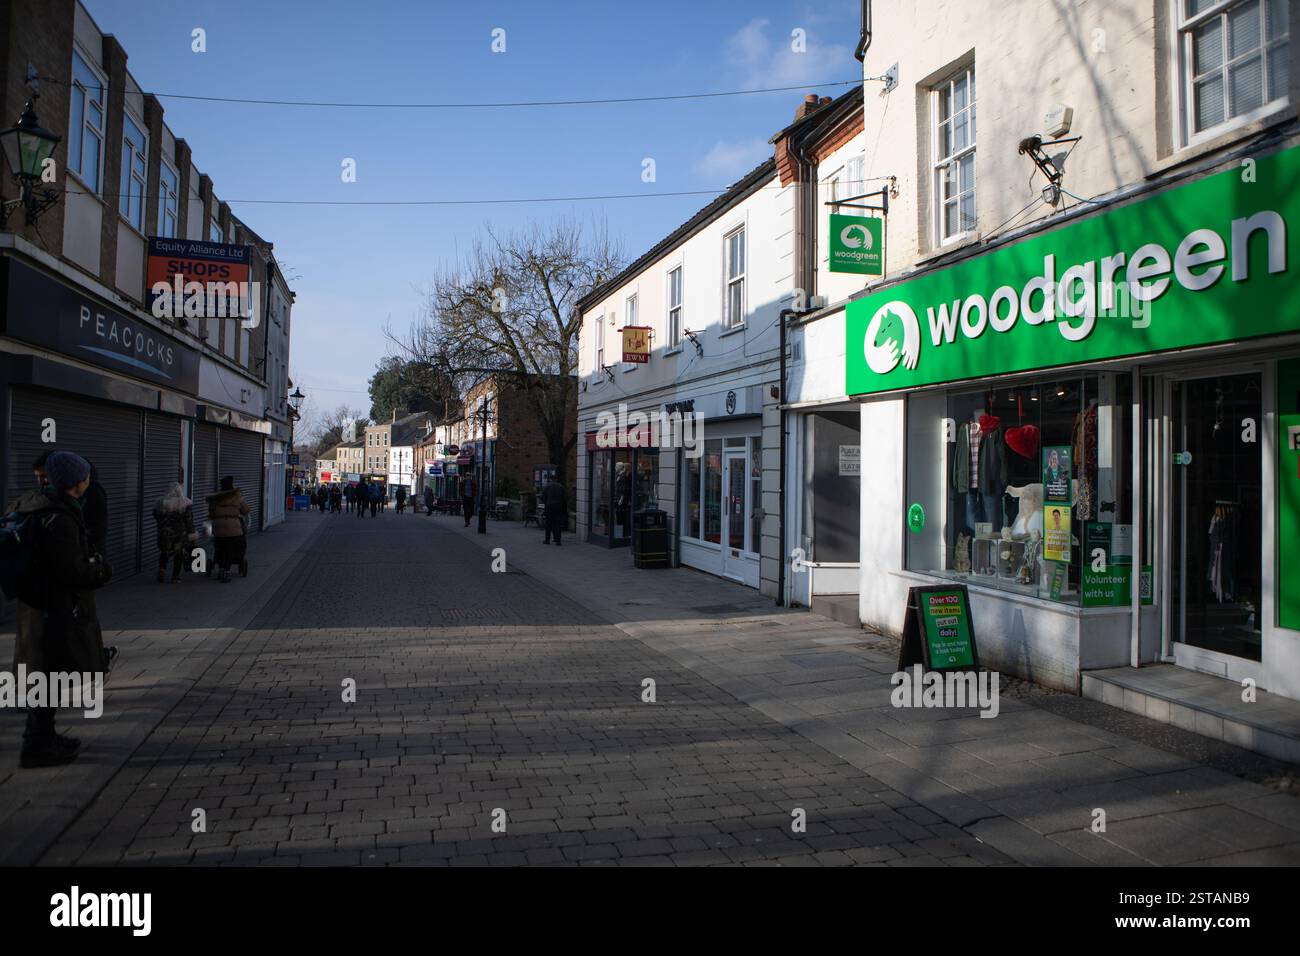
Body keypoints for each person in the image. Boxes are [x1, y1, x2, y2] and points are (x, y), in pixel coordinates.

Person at [9, 451, 112, 768]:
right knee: (49, 673)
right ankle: (38, 744)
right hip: (54, 608)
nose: (87, 480)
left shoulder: (32, 504)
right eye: (84, 476)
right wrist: (99, 571)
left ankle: (44, 736)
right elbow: (70, 570)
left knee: (47, 673)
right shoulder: (59, 517)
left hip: (36, 606)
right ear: (75, 482)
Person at [206, 476, 250, 583]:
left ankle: (221, 568)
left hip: (218, 526)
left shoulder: (216, 498)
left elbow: (211, 514)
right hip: (233, 527)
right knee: (230, 549)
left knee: (220, 548)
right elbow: (246, 510)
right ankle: (227, 571)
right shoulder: (237, 497)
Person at [153, 482, 196, 584]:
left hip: (164, 533)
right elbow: (189, 521)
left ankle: (162, 569)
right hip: (179, 534)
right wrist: (192, 534)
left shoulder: (160, 503)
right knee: (179, 554)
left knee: (164, 552)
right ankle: (175, 577)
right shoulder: (184, 503)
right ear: (179, 491)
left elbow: (156, 517)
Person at [541, 476, 568, 546]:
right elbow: (564, 499)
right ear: (556, 479)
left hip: (549, 507)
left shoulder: (547, 486)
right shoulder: (561, 487)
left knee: (548, 524)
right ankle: (558, 540)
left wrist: (546, 503)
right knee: (557, 524)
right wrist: (564, 509)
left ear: (550, 479)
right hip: (558, 507)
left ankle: (547, 540)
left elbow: (543, 497)